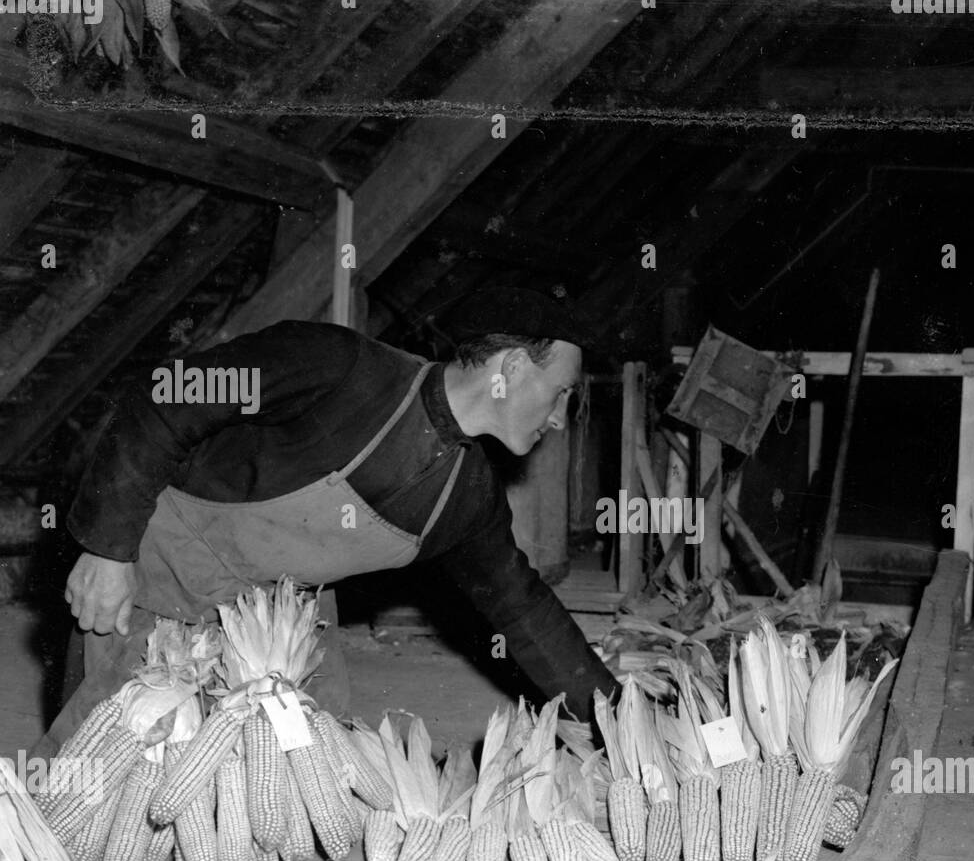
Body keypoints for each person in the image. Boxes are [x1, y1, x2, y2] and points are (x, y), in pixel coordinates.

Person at [34, 287, 618, 760]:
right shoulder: (339, 366)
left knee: (304, 791)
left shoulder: (469, 498)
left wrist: (617, 719)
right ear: (512, 367)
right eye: (562, 393)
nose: (562, 419)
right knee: (95, 778)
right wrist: (108, 549)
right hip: (166, 572)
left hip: (282, 625)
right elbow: (167, 398)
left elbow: (524, 611)